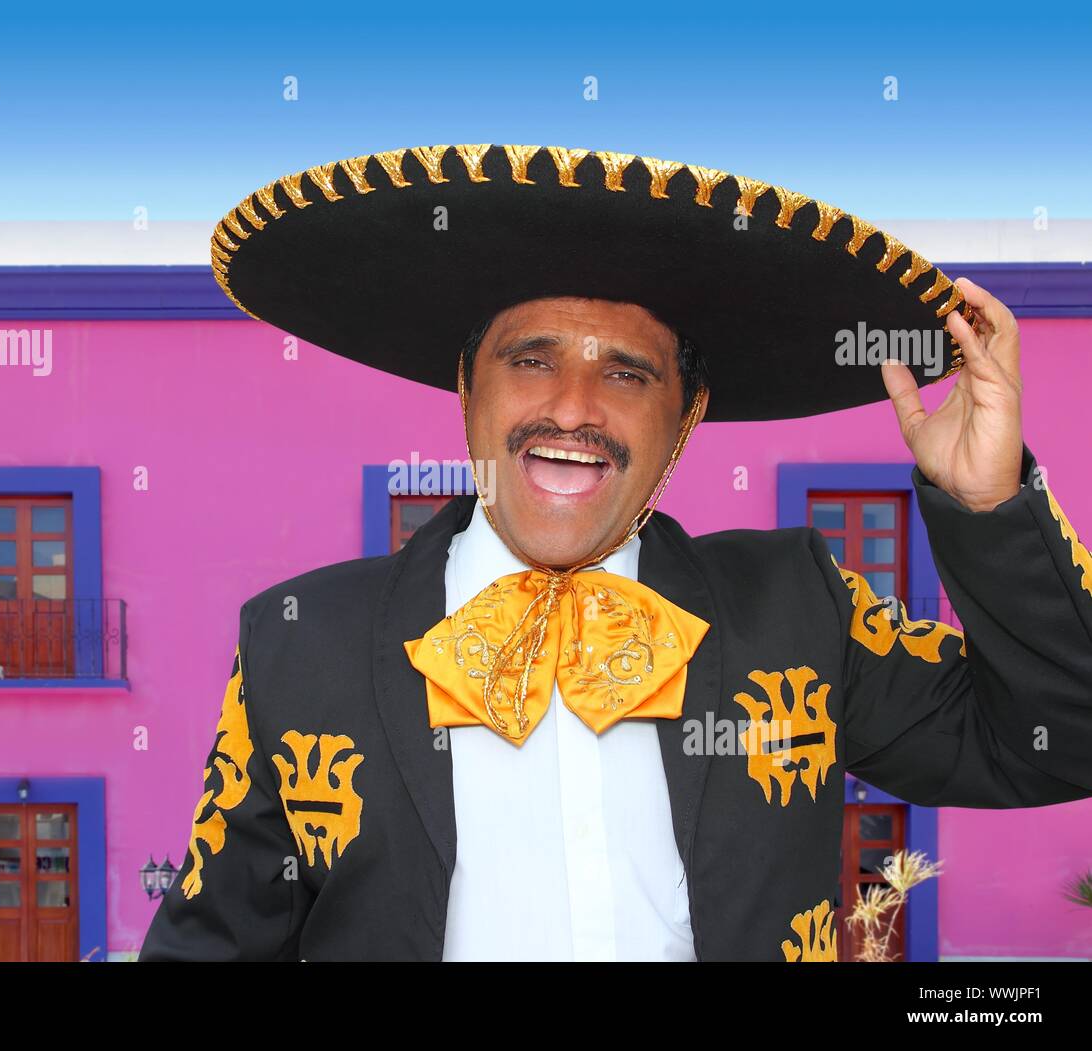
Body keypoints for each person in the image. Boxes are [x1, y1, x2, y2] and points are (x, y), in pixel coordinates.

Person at [139, 144, 1092, 961]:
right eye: (532, 358)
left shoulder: (801, 610)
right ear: (467, 389)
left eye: (626, 372)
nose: (572, 408)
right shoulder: (299, 647)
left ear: (686, 419)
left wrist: (987, 502)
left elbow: (1061, 741)